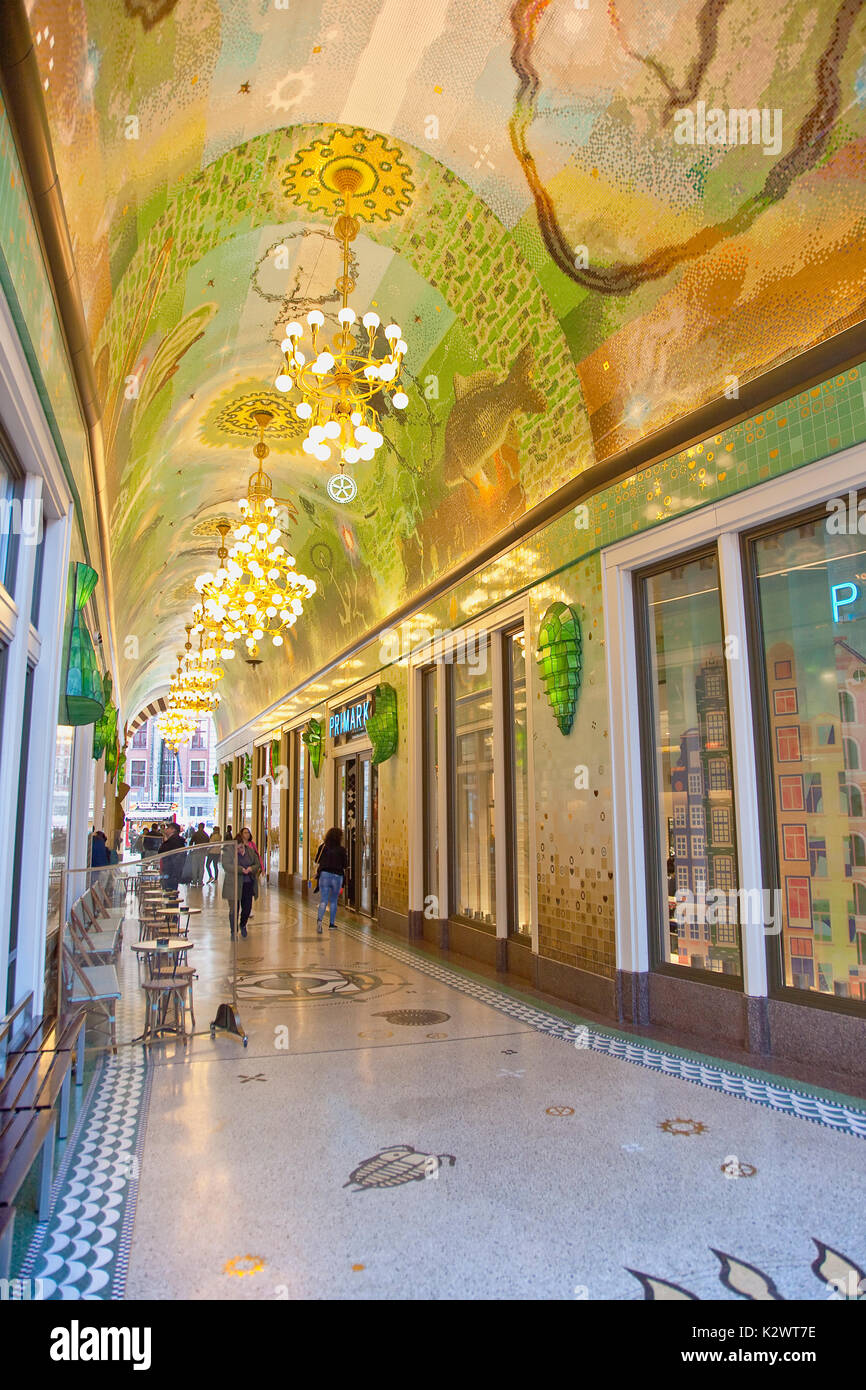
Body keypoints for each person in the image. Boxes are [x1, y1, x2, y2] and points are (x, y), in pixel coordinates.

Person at [221, 828, 262, 938]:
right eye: (237, 848)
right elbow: (226, 865)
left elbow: (257, 864)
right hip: (234, 885)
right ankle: (233, 931)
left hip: (248, 884)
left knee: (247, 908)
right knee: (234, 909)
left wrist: (251, 868)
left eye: (241, 847)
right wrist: (240, 869)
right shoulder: (228, 852)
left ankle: (243, 924)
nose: (240, 850)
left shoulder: (250, 851)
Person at [315, 826, 347, 934]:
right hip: (337, 877)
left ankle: (319, 921)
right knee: (333, 901)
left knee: (323, 900)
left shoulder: (323, 847)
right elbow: (345, 865)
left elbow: (317, 860)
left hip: (324, 875)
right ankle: (331, 924)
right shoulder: (341, 850)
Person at [159, 821, 186, 892]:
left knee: (169, 893)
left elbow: (161, 851)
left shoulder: (173, 841)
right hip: (173, 873)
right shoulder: (177, 840)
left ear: (173, 830)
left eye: (168, 828)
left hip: (170, 873)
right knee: (171, 892)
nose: (166, 829)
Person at [189, 821, 209, 886]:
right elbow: (208, 844)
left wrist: (190, 850)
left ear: (199, 827)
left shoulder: (195, 834)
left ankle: (194, 881)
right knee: (201, 867)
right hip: (203, 852)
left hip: (195, 852)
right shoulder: (206, 835)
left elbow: (191, 842)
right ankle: (200, 881)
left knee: (194, 866)